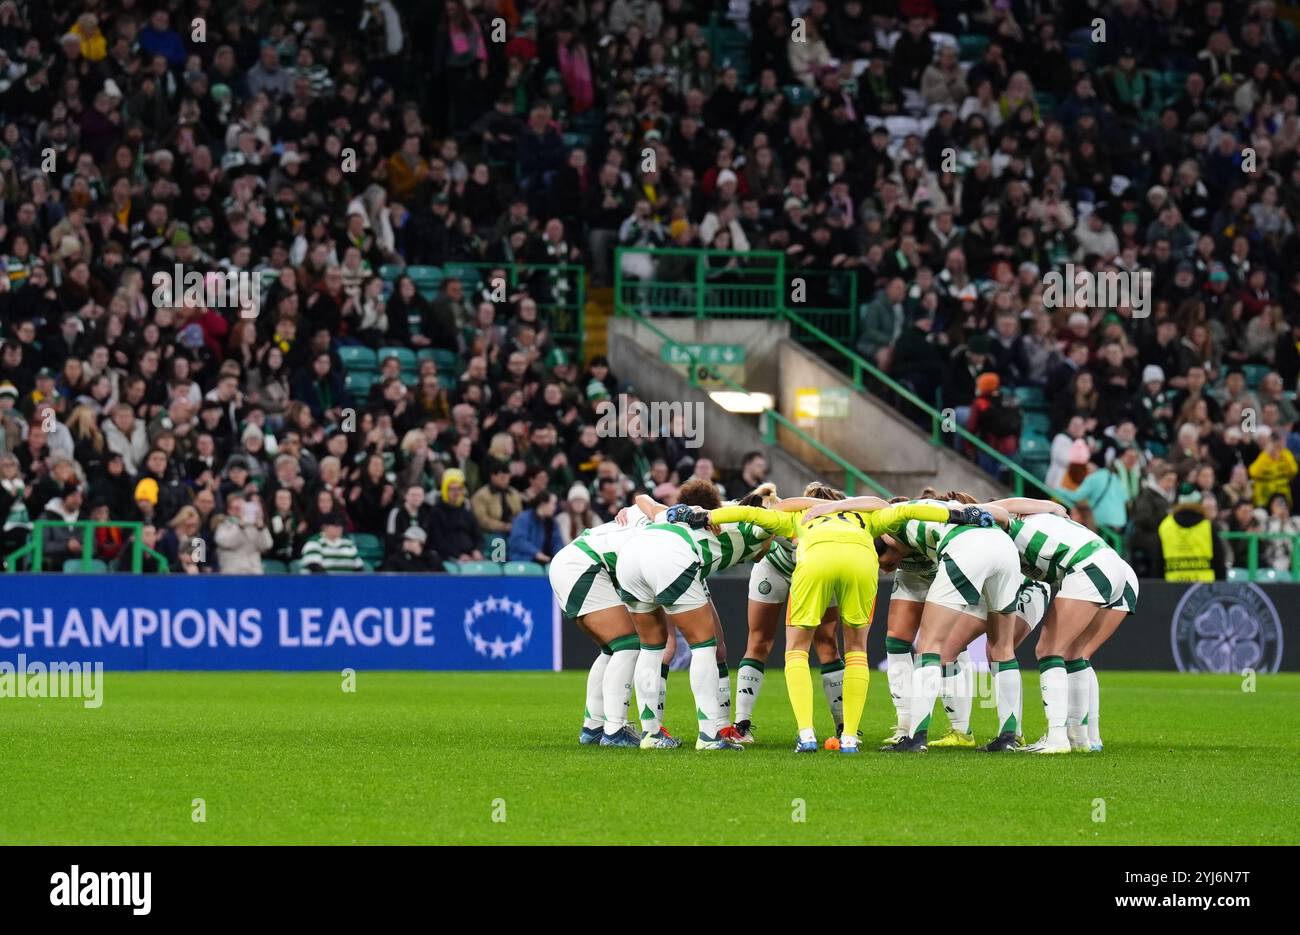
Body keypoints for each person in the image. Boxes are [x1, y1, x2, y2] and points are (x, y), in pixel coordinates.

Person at [679, 492, 996, 753]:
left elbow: (753, 515)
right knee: (857, 648)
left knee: (796, 650)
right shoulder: (866, 517)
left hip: (816, 559)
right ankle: (849, 738)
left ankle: (806, 735)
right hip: (860, 559)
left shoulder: (798, 516)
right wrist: (959, 515)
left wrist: (705, 517)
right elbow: (900, 509)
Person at [1004, 508, 1141, 754]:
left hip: (1091, 565)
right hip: (1117, 568)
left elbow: (998, 511)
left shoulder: (1014, 530)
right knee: (1077, 654)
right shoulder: (1042, 520)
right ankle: (1082, 738)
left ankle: (1057, 737)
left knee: (1048, 649)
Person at [734, 482, 849, 744]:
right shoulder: (787, 511)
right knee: (759, 641)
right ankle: (741, 724)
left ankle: (843, 726)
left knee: (826, 643)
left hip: (817, 573)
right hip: (775, 567)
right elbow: (747, 507)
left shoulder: (842, 519)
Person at [1156, 484, 1226, 582]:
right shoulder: (1207, 526)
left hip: (1171, 587)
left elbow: (1158, 562)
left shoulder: (1165, 526)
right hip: (1203, 588)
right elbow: (1219, 560)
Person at [214, 492, 273, 574]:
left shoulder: (254, 526)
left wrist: (261, 529)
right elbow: (228, 543)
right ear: (229, 511)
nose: (240, 511)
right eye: (236, 508)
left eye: (242, 508)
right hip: (232, 572)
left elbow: (267, 545)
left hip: (254, 571)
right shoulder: (223, 526)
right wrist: (240, 527)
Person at [507, 491, 564, 564]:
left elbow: (558, 543)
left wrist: (559, 558)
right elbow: (518, 540)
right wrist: (536, 553)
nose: (555, 508)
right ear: (543, 504)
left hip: (547, 563)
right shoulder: (523, 518)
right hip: (523, 560)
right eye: (553, 504)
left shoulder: (553, 523)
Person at [300, 513, 364, 573]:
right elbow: (314, 568)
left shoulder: (349, 544)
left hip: (346, 583)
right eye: (336, 525)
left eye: (341, 525)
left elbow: (358, 567)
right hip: (320, 583)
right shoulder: (314, 543)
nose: (339, 528)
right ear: (324, 527)